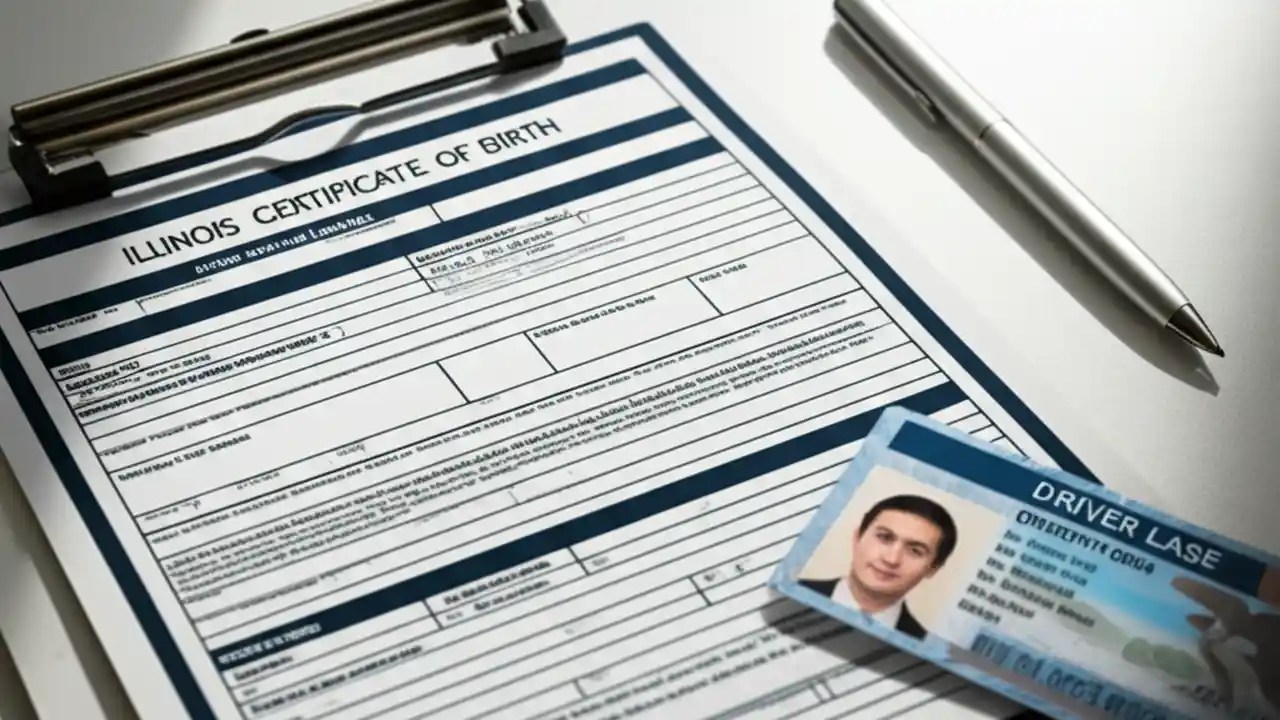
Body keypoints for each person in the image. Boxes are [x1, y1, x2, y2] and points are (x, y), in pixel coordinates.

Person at [800, 494, 957, 639]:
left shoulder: (924, 647)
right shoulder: (794, 590)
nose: (891, 559)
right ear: (857, 538)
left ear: (933, 568)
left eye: (915, 551)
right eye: (885, 537)